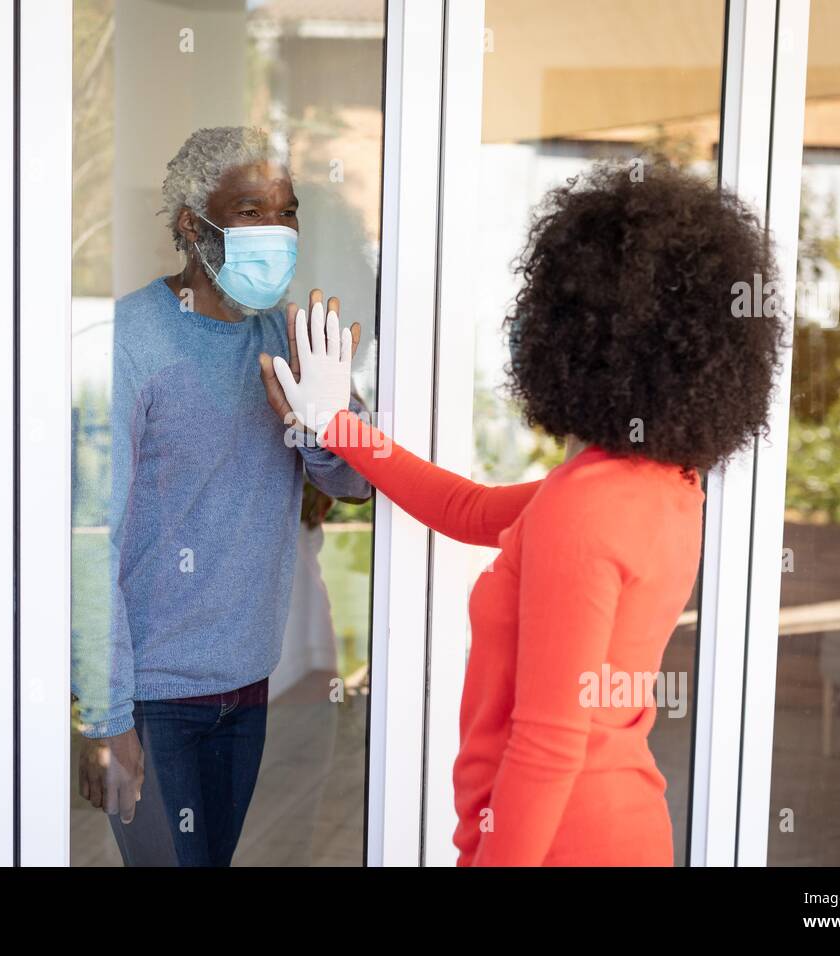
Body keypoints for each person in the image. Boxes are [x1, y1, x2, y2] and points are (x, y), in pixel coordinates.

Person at [261, 162, 782, 865]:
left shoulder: (587, 501)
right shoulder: (665, 484)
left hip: (559, 844)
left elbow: (548, 742)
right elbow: (467, 508)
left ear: (576, 335)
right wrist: (336, 424)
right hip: (618, 829)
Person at [73, 126, 370, 867]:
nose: (276, 231)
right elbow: (89, 538)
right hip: (153, 695)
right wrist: (106, 719)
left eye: (286, 212)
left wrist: (322, 421)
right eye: (249, 212)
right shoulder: (130, 341)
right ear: (190, 226)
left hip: (246, 682)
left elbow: (357, 483)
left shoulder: (291, 337)